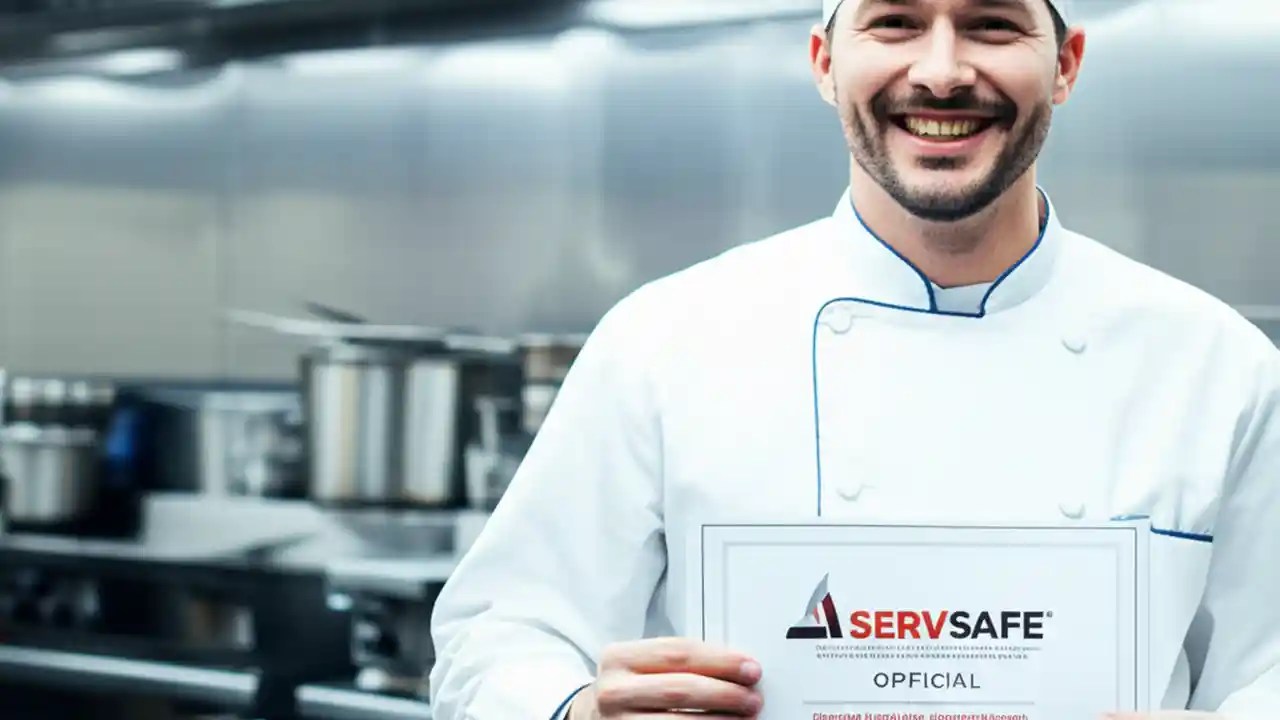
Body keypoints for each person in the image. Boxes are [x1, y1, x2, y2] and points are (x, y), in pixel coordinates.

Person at [429, 0, 1280, 717]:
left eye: (991, 24)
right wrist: (576, 710)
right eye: (896, 22)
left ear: (1064, 64)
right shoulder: (664, 341)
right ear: (825, 62)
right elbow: (497, 637)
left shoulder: (1216, 368)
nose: (942, 72)